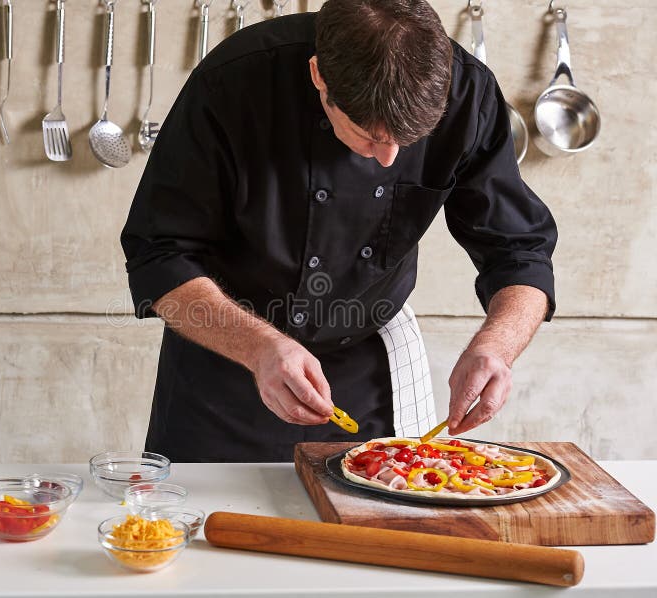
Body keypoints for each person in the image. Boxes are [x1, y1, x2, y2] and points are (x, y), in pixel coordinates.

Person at [121, 0, 557, 462]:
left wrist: (497, 346)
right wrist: (259, 348)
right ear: (319, 77)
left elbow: (520, 250)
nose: (390, 159)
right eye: (370, 136)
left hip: (366, 375)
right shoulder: (231, 84)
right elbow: (160, 253)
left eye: (407, 144)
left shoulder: (469, 93)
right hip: (227, 366)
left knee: (371, 525)